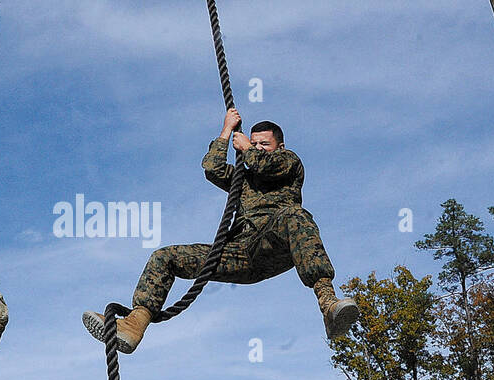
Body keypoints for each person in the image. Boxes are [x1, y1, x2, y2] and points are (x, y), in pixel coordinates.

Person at [82, 108, 357, 353]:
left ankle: (328, 305)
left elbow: (266, 164)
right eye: (255, 142)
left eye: (265, 144)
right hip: (240, 253)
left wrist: (247, 148)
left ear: (280, 146)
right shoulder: (245, 177)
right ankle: (134, 325)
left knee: (295, 216)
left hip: (275, 244)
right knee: (165, 257)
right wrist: (226, 131)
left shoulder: (289, 163)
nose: (258, 148)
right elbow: (212, 168)